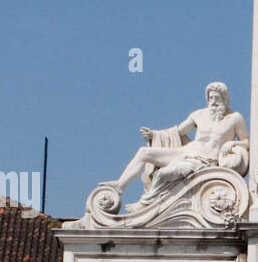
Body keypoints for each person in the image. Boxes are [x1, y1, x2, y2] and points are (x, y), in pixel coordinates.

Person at [105, 82, 249, 204]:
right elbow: (177, 132)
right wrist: (154, 134)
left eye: (217, 97)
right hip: (187, 152)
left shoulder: (235, 118)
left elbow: (246, 142)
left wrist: (234, 144)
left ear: (225, 98)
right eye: (210, 97)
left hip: (205, 161)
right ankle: (119, 187)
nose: (213, 101)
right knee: (144, 152)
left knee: (162, 175)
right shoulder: (198, 115)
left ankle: (146, 204)